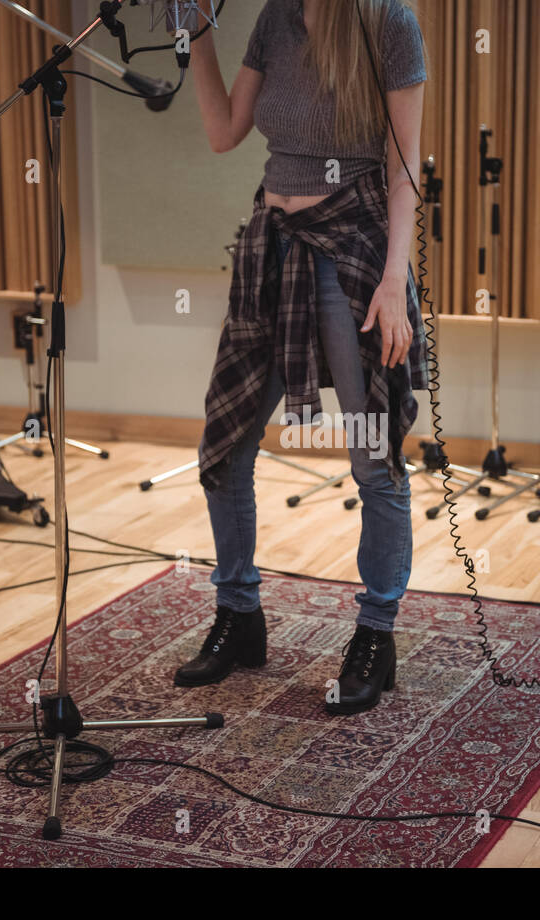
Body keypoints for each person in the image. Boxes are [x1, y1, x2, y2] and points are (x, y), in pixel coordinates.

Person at [176, 0, 428, 715]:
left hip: (353, 249)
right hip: (273, 247)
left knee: (372, 457)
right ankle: (240, 613)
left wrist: (392, 282)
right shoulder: (275, 19)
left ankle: (376, 633)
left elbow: (405, 170)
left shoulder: (388, 24)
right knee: (223, 446)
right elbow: (226, 131)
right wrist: (194, 33)